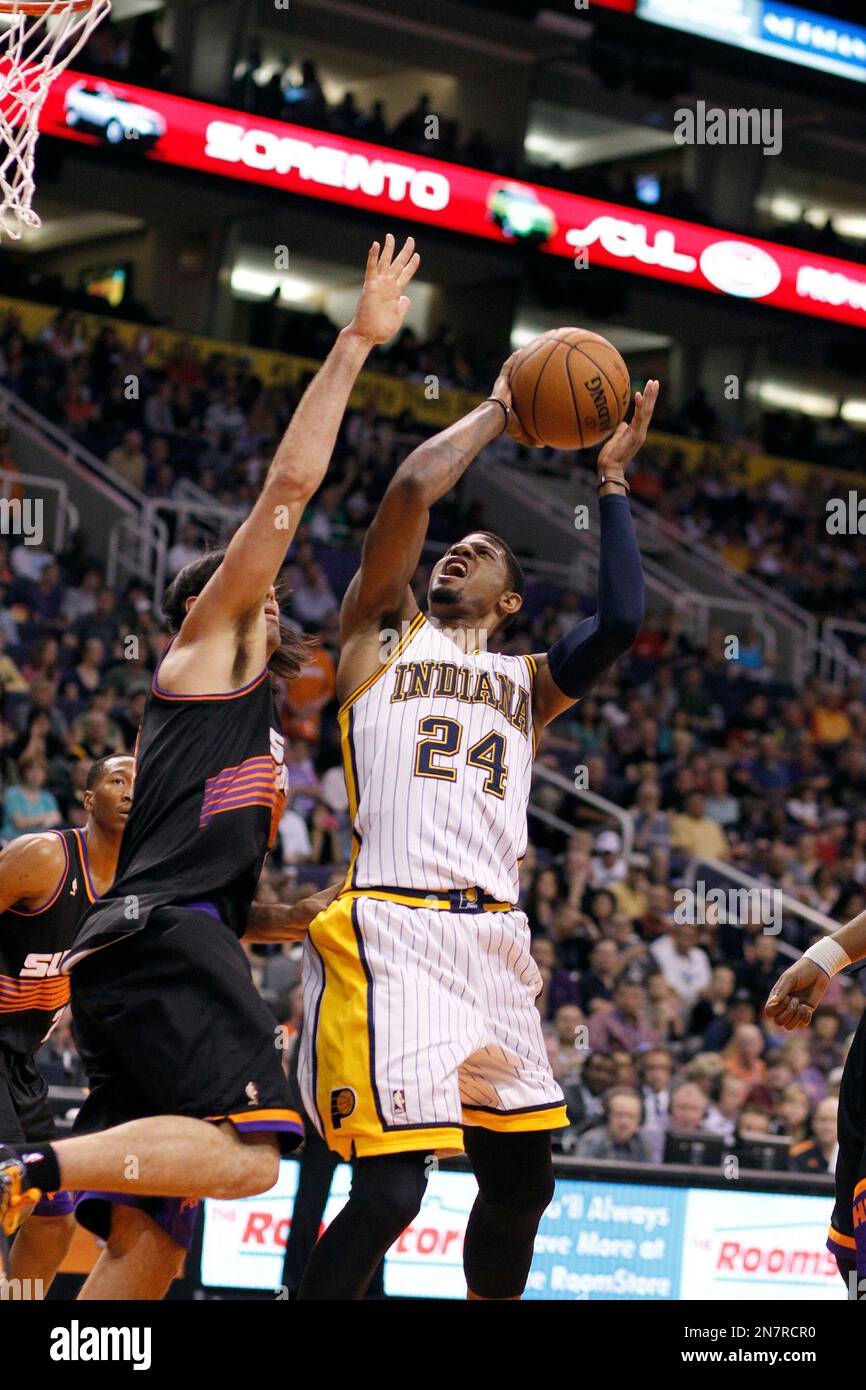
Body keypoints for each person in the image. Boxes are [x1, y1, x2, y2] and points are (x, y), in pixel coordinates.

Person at [0, 235, 422, 1292]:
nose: (265, 588)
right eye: (241, 582)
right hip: (156, 944)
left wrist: (304, 910)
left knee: (153, 1237)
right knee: (251, 1156)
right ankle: (24, 1166)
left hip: (142, 943)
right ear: (200, 607)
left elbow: (208, 867)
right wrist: (354, 344)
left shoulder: (245, 721)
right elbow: (289, 480)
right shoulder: (205, 652)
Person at [295, 360, 658, 1300]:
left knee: (525, 1182)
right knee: (389, 1196)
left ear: (510, 603)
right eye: (450, 550)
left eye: (480, 553)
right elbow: (414, 487)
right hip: (397, 930)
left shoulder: (529, 685)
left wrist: (613, 481)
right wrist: (503, 407)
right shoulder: (381, 635)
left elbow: (622, 618)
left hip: (495, 943)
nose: (454, 553)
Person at [0, 755, 133, 1295]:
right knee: (4, 1184)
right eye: (117, 780)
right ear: (87, 798)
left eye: (140, 783)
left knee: (54, 1214)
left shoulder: (136, 888)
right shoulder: (44, 857)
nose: (130, 791)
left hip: (21, 1060)